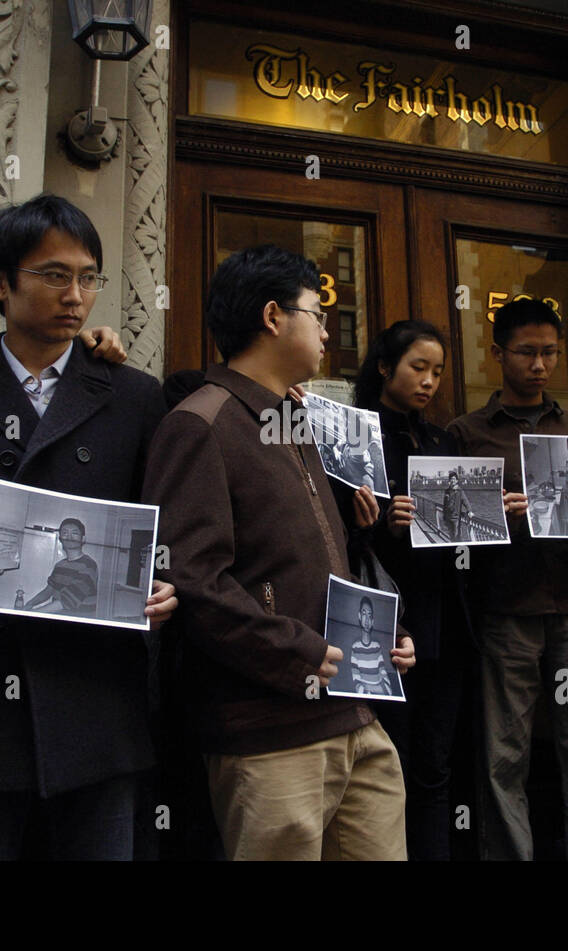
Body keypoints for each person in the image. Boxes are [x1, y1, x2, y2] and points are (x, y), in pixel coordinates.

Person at [0, 193, 177, 861]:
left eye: (87, 277)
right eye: (53, 275)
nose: (75, 295)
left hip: (97, 709)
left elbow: (166, 521)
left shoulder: (135, 397)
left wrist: (166, 584)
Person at [143, 244, 415, 861]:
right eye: (315, 313)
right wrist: (299, 652)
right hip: (266, 730)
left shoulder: (301, 420)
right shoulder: (201, 422)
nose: (325, 330)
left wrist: (382, 637)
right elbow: (191, 579)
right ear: (272, 316)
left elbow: (314, 559)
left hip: (356, 716)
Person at [447, 297, 568, 861]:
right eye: (527, 352)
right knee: (504, 752)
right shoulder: (467, 433)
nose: (540, 365)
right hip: (507, 607)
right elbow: (444, 530)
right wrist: (490, 512)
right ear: (498, 354)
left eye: (549, 352)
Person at [350, 319, 476, 860]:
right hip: (382, 619)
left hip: (444, 618)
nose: (429, 381)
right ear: (385, 366)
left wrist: (495, 515)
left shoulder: (440, 437)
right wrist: (382, 522)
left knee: (434, 762)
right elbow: (338, 524)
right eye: (417, 367)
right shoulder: (356, 433)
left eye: (438, 371)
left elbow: (459, 528)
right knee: (387, 761)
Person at [25, 517, 99, 617]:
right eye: (65, 533)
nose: (69, 537)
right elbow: (48, 591)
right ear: (60, 538)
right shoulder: (60, 565)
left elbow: (66, 601)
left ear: (83, 539)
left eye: (75, 533)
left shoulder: (89, 565)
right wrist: (29, 604)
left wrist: (32, 614)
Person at [349, 597, 394, 697]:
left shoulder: (377, 647)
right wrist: (378, 688)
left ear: (372, 621)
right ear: (359, 616)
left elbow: (388, 689)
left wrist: (368, 687)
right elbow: (357, 685)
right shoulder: (355, 648)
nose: (367, 619)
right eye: (364, 614)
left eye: (370, 615)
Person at [442, 470, 472, 542]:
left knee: (456, 536)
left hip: (456, 518)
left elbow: (466, 502)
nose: (452, 481)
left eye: (454, 479)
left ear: (457, 481)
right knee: (451, 535)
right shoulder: (447, 491)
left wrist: (469, 511)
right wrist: (444, 515)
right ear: (449, 480)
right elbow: (445, 504)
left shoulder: (460, 491)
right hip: (448, 517)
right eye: (451, 479)